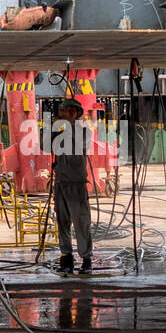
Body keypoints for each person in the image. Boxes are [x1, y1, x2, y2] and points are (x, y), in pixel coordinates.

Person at [50, 98, 93, 274]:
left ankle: (86, 258)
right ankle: (66, 257)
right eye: (64, 111)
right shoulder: (58, 134)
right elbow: (47, 147)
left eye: (70, 111)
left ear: (76, 114)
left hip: (76, 183)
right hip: (61, 183)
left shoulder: (84, 132)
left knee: (81, 222)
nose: (67, 114)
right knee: (63, 222)